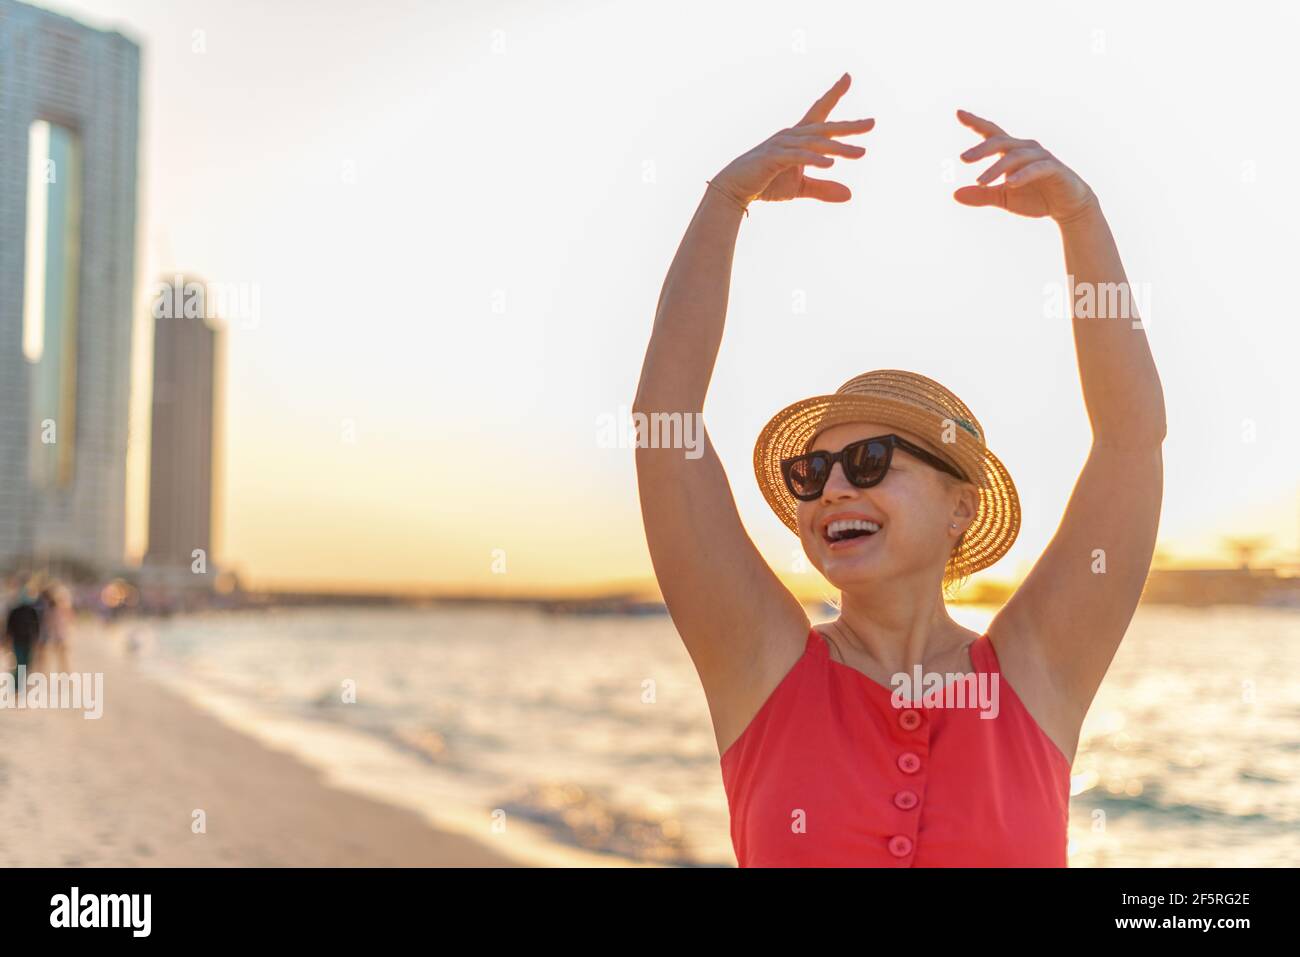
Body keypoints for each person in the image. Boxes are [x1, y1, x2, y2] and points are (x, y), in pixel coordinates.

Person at [633, 74, 1164, 867]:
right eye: (812, 471)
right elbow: (663, 423)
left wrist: (1080, 221)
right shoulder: (761, 665)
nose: (833, 488)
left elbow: (1130, 440)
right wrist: (725, 201)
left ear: (960, 507)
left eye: (871, 461)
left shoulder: (1035, 672)